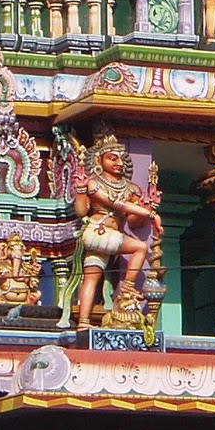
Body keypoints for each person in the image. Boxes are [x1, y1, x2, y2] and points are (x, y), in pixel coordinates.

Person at [61, 135, 162, 331]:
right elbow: (83, 211)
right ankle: (128, 287)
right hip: (98, 231)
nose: (118, 163)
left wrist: (148, 206)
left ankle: (83, 322)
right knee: (140, 247)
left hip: (109, 237)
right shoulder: (93, 183)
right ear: (99, 160)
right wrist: (151, 214)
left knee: (92, 277)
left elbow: (132, 222)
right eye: (112, 158)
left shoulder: (130, 188)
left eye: (120, 159)